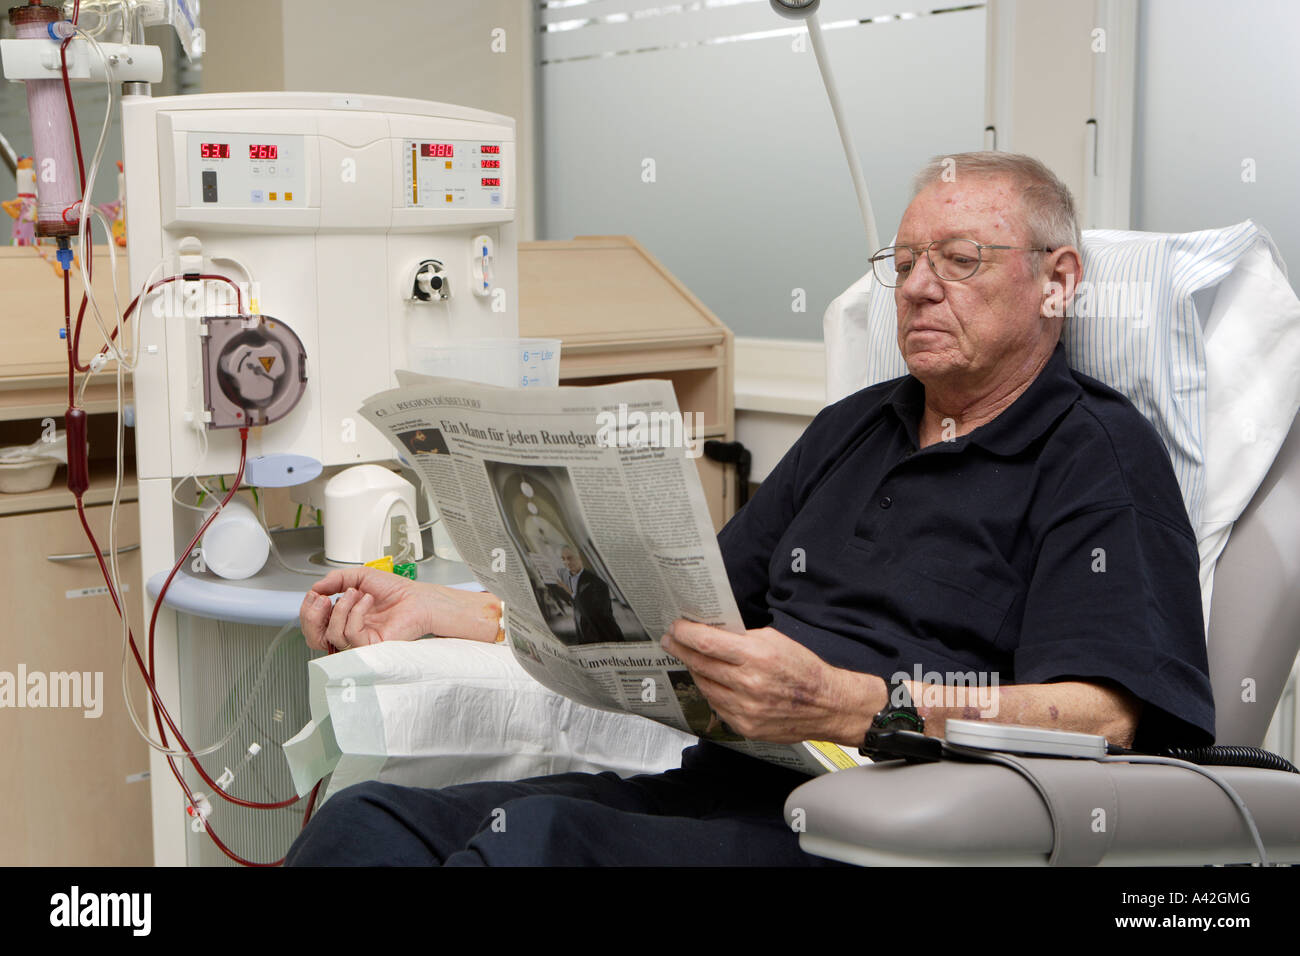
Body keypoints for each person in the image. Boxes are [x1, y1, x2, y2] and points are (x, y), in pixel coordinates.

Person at [285, 152, 1213, 866]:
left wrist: (846, 704)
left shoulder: (1095, 453)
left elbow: (1101, 718)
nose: (919, 285)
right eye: (904, 262)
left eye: (962, 259)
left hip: (898, 831)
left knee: (531, 850)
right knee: (371, 825)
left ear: (1059, 281)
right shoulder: (857, 427)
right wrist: (444, 612)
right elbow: (678, 621)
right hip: (738, 785)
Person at [556, 546, 625, 644]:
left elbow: (595, 613)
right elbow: (573, 604)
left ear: (579, 558)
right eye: (563, 559)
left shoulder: (596, 582)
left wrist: (569, 592)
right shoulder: (568, 578)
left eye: (570, 558)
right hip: (583, 632)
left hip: (602, 634)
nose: (566, 563)